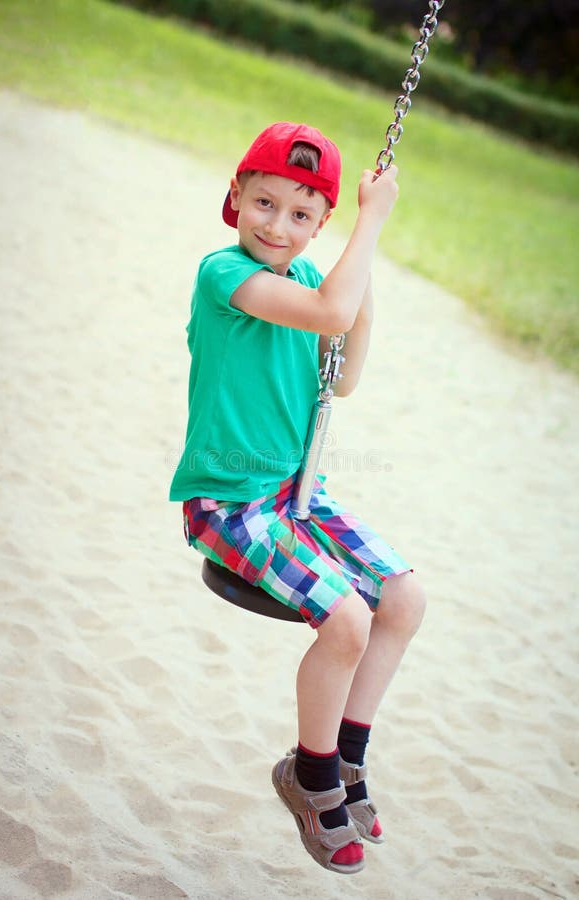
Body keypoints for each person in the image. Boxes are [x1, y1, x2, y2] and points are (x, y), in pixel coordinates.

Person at [169, 122, 426, 875]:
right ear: (235, 198)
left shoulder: (318, 283)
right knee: (346, 619)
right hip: (229, 505)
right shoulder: (223, 274)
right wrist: (371, 218)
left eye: (302, 214)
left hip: (295, 494)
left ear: (320, 226)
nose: (278, 225)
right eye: (264, 203)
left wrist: (362, 265)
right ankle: (309, 777)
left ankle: (347, 759)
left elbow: (341, 375)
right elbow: (327, 317)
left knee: (404, 599)